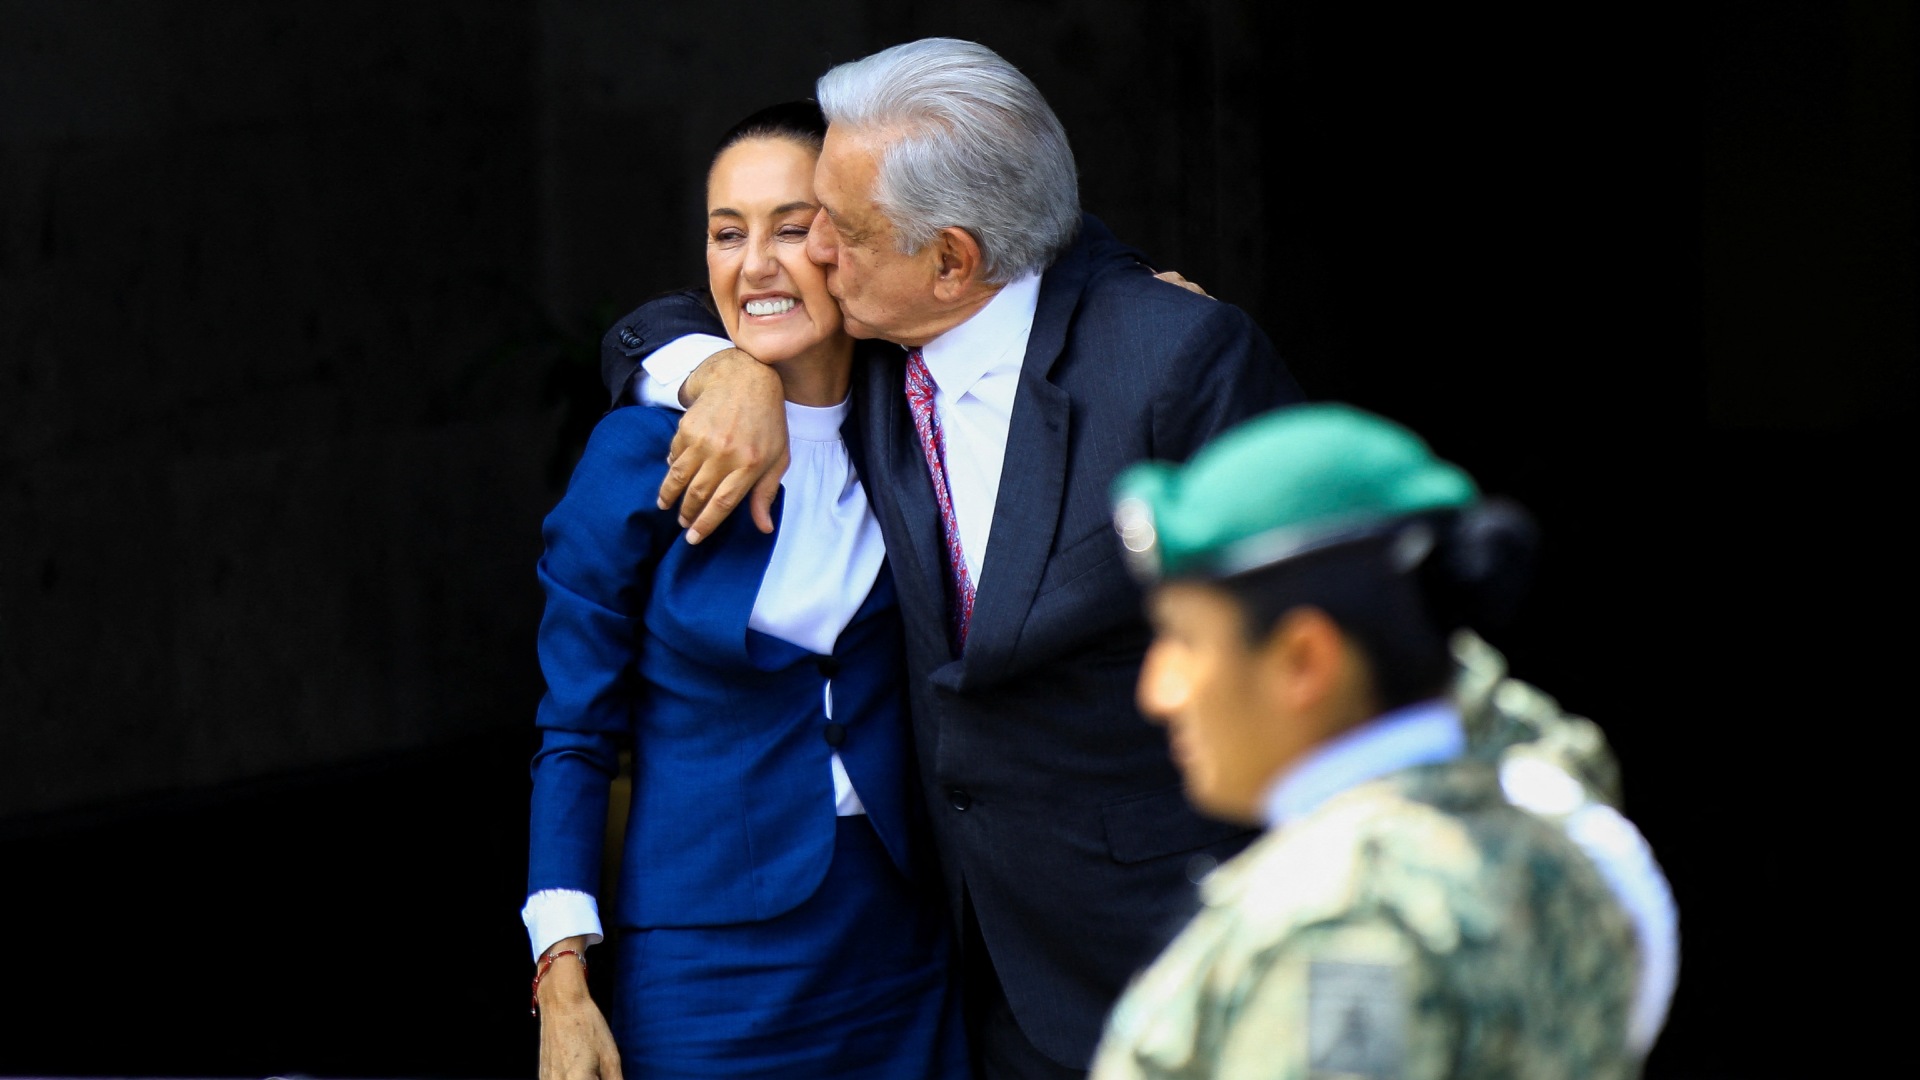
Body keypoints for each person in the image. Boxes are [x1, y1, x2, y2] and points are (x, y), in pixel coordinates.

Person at [600, 38, 1306, 1078]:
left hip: (1172, 968)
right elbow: (646, 327)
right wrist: (720, 371)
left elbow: (1317, 676)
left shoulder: (1174, 362)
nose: (811, 256)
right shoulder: (882, 349)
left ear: (953, 260)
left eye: (836, 229)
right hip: (971, 977)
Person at [524, 101, 968, 1080]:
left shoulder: (918, 420)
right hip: (706, 959)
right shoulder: (638, 454)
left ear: (850, 242)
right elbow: (573, 733)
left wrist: (1136, 292)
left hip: (901, 937)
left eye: (794, 226)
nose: (757, 262)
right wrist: (561, 976)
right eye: (729, 233)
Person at [1087, 403, 1655, 1078]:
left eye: (1184, 640)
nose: (1159, 691)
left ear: (1304, 661)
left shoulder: (1342, 924)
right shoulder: (1542, 831)